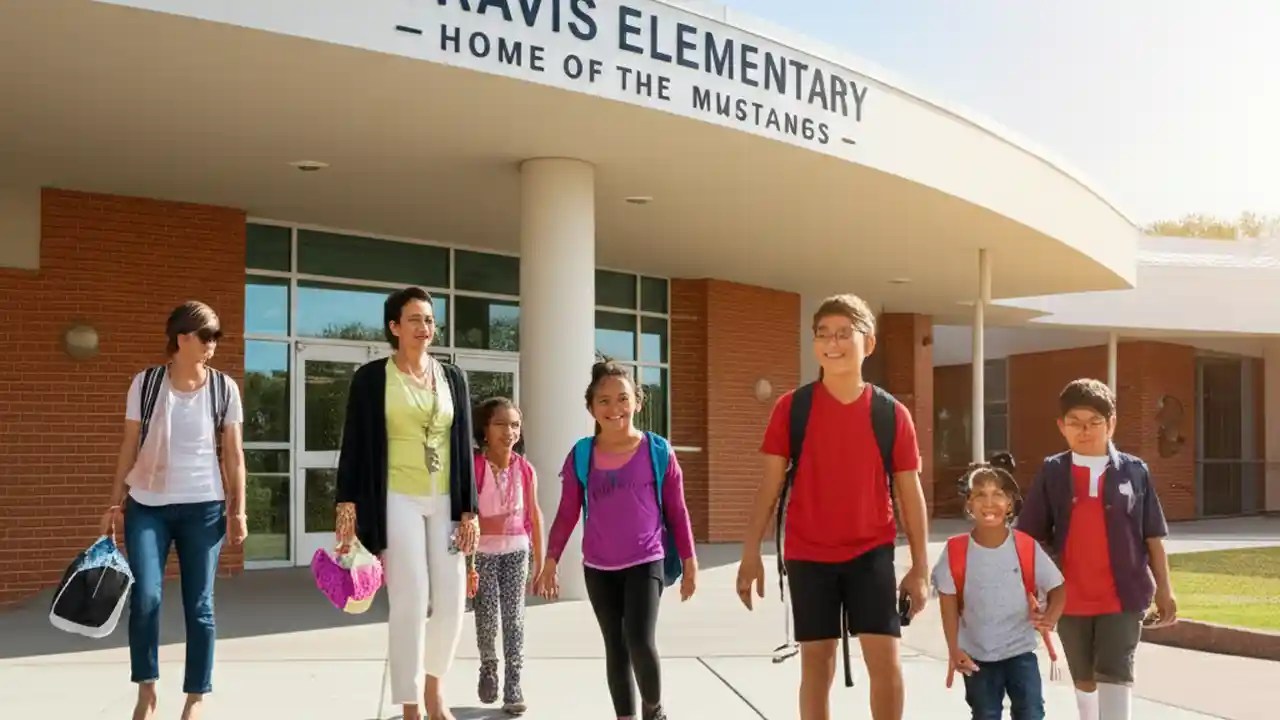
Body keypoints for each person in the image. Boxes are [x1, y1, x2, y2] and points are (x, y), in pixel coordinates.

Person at [735, 293, 930, 720]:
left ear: (869, 343)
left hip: (871, 553)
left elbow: (909, 494)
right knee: (816, 665)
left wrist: (920, 567)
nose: (832, 343)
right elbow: (768, 486)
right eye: (823, 334)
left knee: (886, 663)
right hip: (808, 554)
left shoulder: (891, 414)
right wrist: (751, 553)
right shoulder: (793, 408)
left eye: (844, 334)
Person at [333, 286, 479, 720]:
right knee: (410, 600)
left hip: (445, 500)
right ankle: (411, 703)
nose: (424, 327)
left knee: (452, 597)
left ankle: (436, 689)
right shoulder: (372, 378)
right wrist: (347, 504)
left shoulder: (452, 377)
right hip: (397, 497)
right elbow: (355, 445)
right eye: (414, 319)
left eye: (430, 320)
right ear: (394, 327)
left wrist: (468, 509)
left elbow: (462, 443)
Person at [98, 300, 247, 720]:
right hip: (148, 505)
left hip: (205, 507)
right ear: (182, 338)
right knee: (145, 597)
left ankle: (196, 696)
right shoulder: (145, 384)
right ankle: (146, 689)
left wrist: (239, 511)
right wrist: (114, 502)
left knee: (199, 605)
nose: (213, 344)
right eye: (207, 336)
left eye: (217, 336)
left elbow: (234, 456)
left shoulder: (224, 388)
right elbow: (128, 446)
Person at [533, 361, 697, 720]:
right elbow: (566, 513)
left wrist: (689, 561)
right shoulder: (581, 454)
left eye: (622, 399)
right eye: (604, 401)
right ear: (591, 407)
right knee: (616, 647)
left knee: (639, 640)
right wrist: (550, 561)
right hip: (599, 567)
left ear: (637, 402)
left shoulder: (658, 451)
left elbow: (677, 510)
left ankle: (654, 709)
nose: (614, 409)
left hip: (646, 559)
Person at [1015, 378, 1177, 720]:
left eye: (1094, 423)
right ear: (1061, 426)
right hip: (1069, 599)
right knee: (1084, 679)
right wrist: (1032, 592)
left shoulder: (1135, 472)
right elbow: (1029, 538)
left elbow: (1152, 537)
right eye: (1074, 423)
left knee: (1117, 674)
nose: (1084, 431)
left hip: (1122, 597)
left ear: (1112, 424)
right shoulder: (1053, 472)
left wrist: (1165, 589)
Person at [932, 459, 1066, 720]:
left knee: (1031, 713)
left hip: (1021, 653)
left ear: (1009, 505)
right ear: (969, 504)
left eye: (998, 494)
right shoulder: (955, 551)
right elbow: (948, 605)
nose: (989, 502)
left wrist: (1051, 616)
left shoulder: (1025, 547)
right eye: (980, 495)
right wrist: (954, 650)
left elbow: (1058, 587)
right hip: (977, 657)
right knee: (985, 714)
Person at [471, 396, 544, 716]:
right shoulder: (473, 466)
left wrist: (542, 562)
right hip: (482, 553)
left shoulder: (525, 469)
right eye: (500, 424)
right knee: (486, 618)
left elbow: (535, 514)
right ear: (485, 430)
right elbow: (464, 515)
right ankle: (489, 667)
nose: (509, 431)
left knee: (514, 619)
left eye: (514, 425)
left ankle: (514, 685)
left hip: (516, 551)